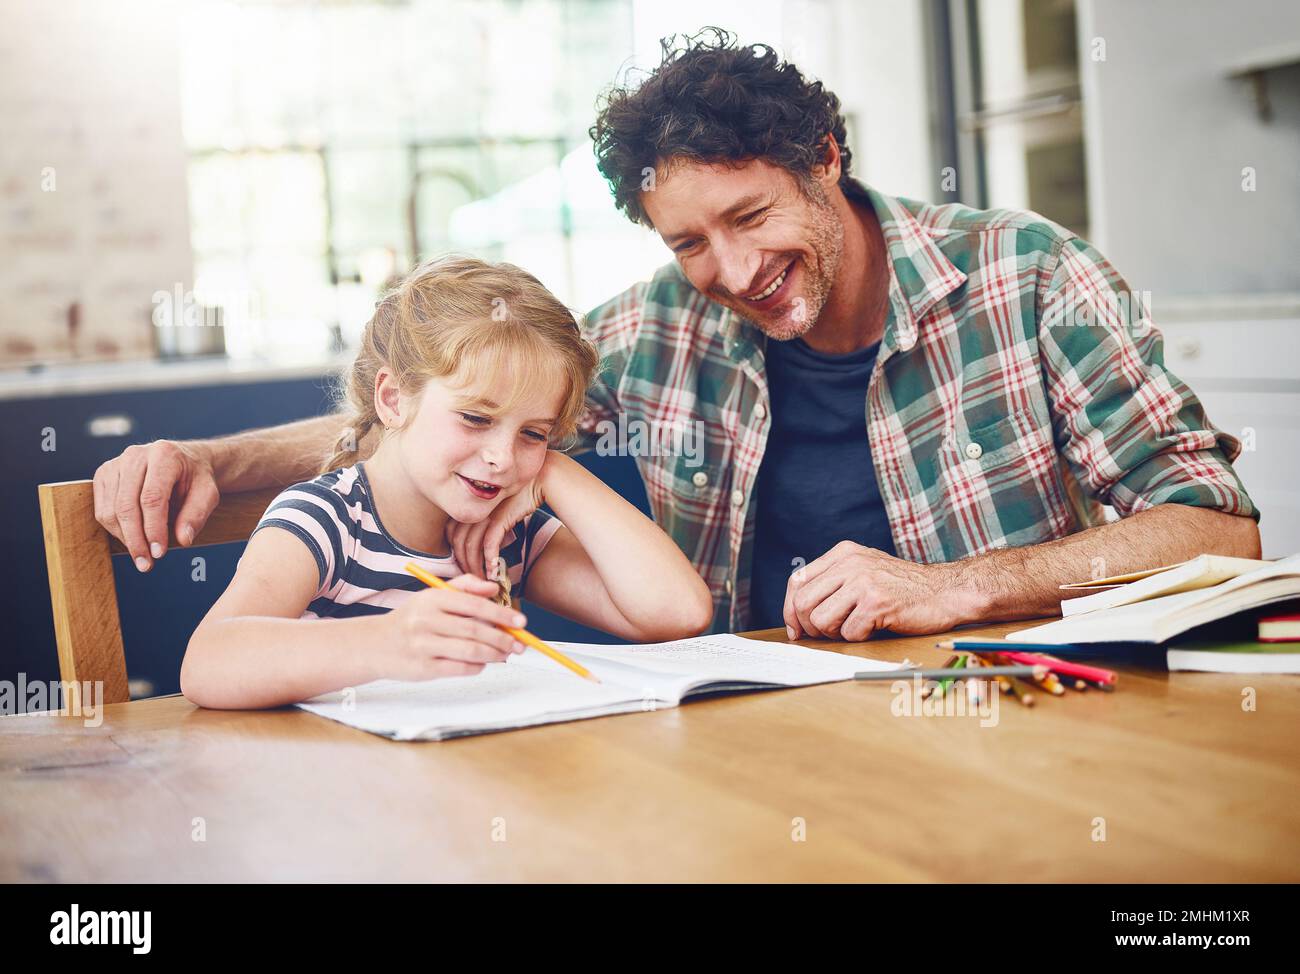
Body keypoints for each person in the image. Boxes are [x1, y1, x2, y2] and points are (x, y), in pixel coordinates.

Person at [98, 30, 1260, 646]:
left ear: (824, 162)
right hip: (749, 723)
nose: (734, 272)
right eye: (689, 241)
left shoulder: (1026, 276)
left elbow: (1217, 525)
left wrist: (960, 588)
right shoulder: (657, 328)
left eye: (750, 218)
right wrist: (217, 463)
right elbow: (448, 410)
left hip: (1005, 709)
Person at [179, 256, 712, 710]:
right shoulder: (327, 518)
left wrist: (555, 470)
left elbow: (677, 613)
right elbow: (208, 661)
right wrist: (387, 642)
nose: (502, 458)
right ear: (393, 399)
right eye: (476, 419)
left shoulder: (498, 535)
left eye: (533, 432)